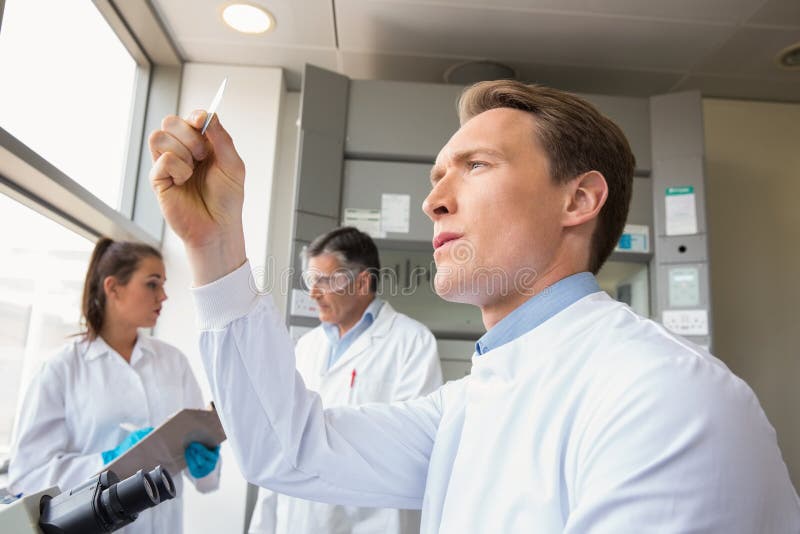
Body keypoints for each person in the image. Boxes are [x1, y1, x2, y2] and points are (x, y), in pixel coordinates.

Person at [148, 80, 800, 532]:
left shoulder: (662, 399)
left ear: (579, 200)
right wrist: (215, 243)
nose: (435, 201)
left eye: (477, 166)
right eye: (437, 178)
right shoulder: (471, 403)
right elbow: (286, 451)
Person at [8, 238, 221, 533]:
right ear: (113, 287)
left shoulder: (174, 362)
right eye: (152, 284)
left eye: (163, 284)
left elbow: (206, 478)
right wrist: (107, 463)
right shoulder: (62, 369)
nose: (163, 296)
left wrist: (206, 464)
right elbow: (28, 475)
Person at [249, 226, 442, 534]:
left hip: (369, 521)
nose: (313, 292)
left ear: (362, 281)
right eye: (312, 280)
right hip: (296, 518)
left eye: (325, 281)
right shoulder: (306, 346)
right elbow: (285, 436)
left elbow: (412, 448)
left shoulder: (411, 342)